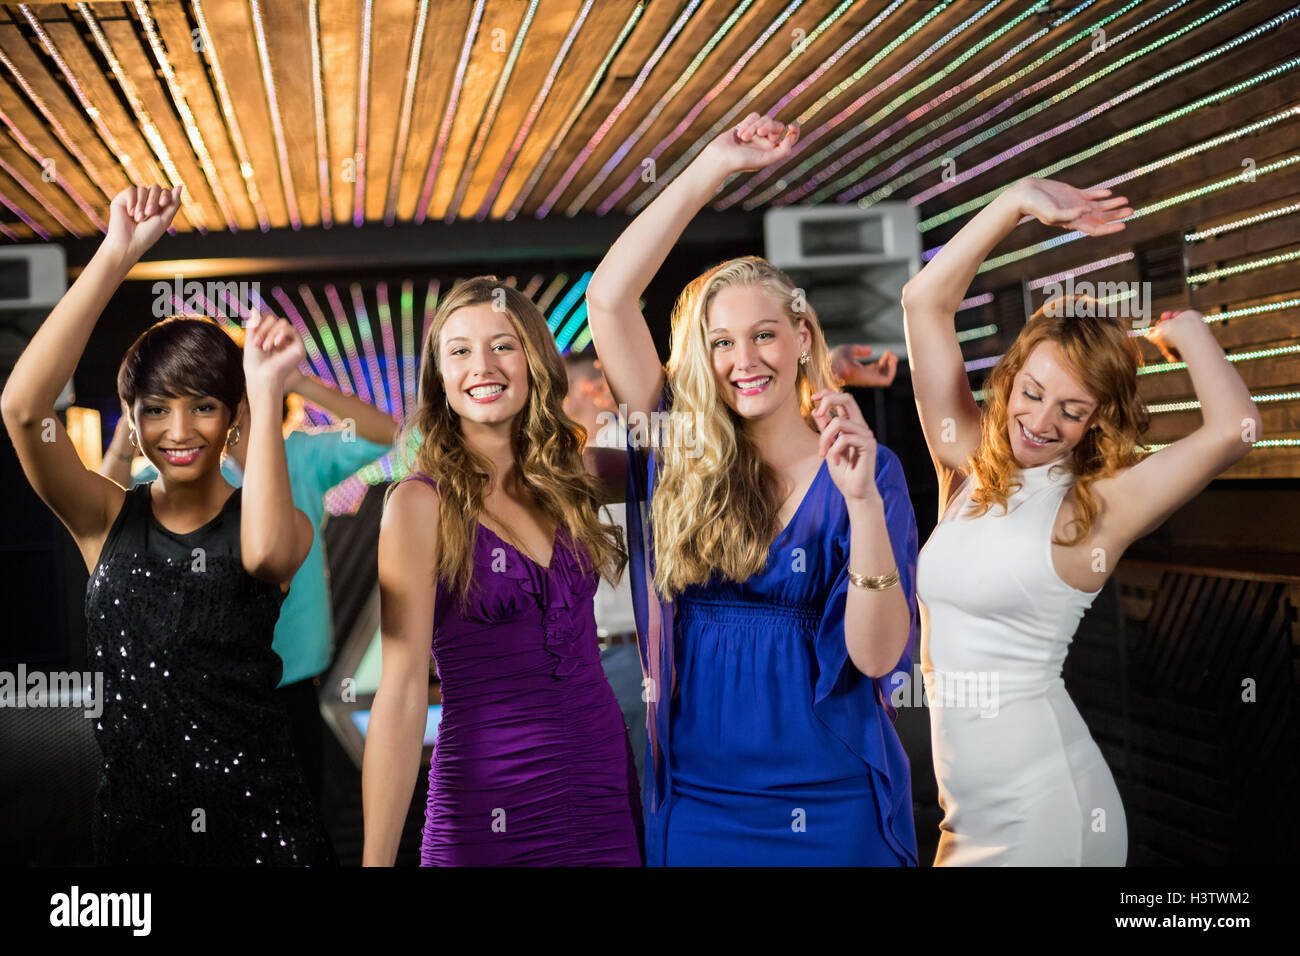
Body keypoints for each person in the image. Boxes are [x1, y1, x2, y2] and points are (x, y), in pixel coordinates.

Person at [586, 113, 920, 866]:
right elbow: (609, 298)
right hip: (701, 800)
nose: (746, 359)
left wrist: (862, 501)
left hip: (836, 801)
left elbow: (876, 658)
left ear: (802, 338)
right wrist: (711, 165)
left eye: (764, 334)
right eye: (721, 342)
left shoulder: (869, 469)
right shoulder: (680, 446)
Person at [902, 176, 1262, 866]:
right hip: (967, 810)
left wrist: (1186, 331)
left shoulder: (1095, 505)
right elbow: (925, 300)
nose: (1040, 422)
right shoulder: (967, 463)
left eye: (1072, 410)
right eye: (1032, 393)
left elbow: (1236, 428)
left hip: (1047, 811)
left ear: (1099, 418)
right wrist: (1013, 200)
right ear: (1009, 380)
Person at [1, 184, 334, 864]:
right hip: (136, 838)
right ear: (133, 417)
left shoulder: (274, 523)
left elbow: (268, 556)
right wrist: (114, 254)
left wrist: (265, 390)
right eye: (156, 409)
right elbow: (20, 407)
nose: (178, 431)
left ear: (233, 417)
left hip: (263, 835)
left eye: (204, 407)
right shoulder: (104, 515)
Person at [361, 277, 643, 867]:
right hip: (487, 802)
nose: (481, 365)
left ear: (535, 360)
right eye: (459, 351)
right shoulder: (418, 505)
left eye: (503, 345)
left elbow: (692, 459)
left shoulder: (574, 476)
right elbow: (402, 692)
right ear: (440, 378)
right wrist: (376, 862)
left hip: (601, 786)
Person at [101, 361, 396, 809]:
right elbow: (102, 508)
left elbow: (382, 432)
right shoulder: (185, 473)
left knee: (300, 813)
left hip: (292, 680)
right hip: (202, 687)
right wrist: (131, 421)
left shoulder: (299, 455)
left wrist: (295, 379)